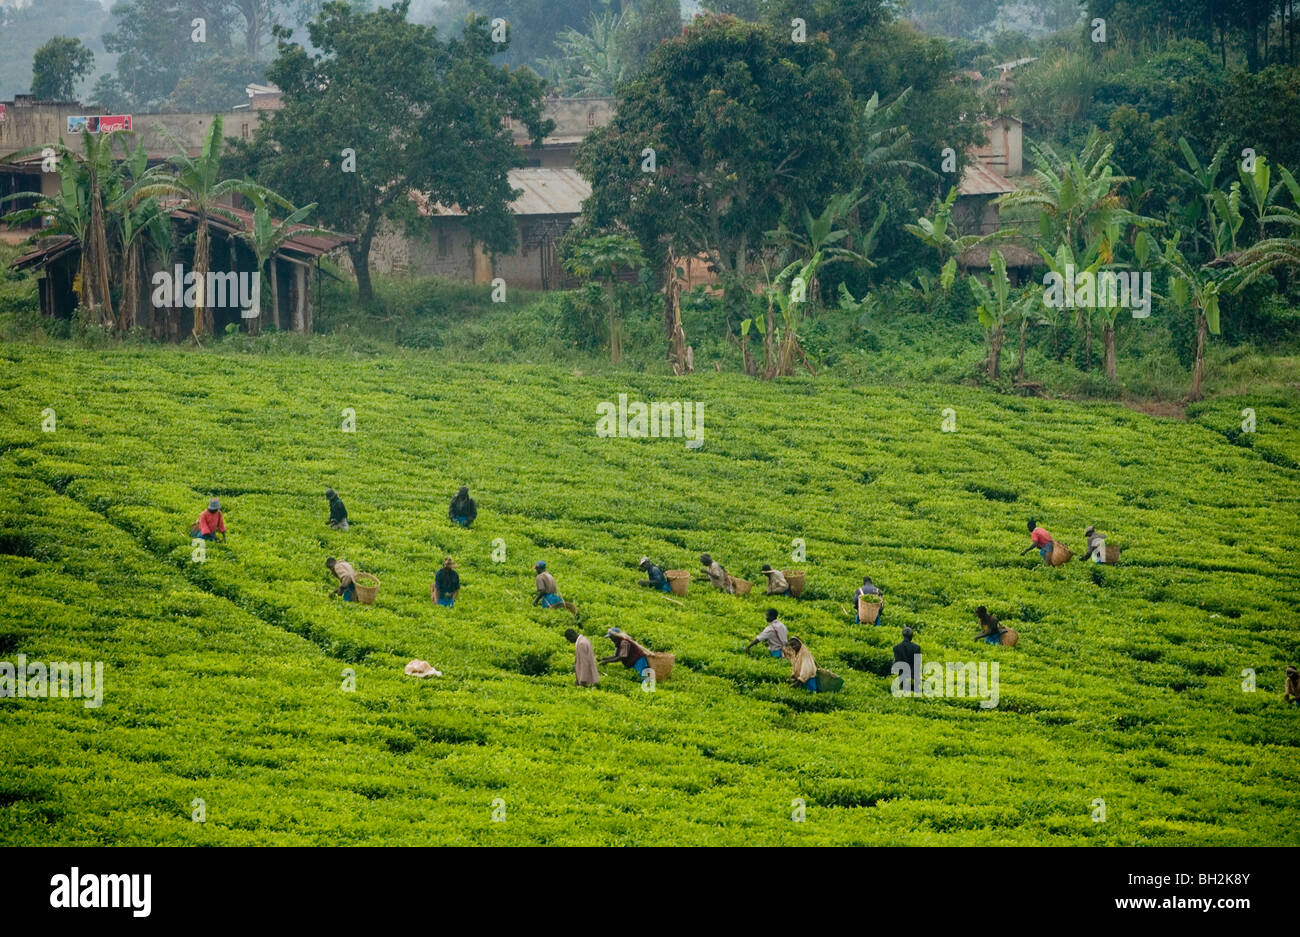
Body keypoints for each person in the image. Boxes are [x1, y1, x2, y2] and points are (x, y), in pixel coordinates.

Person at [892, 627, 922, 693]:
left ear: (903, 635)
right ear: (911, 636)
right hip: (913, 677)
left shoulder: (896, 648)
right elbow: (918, 664)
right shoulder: (916, 648)